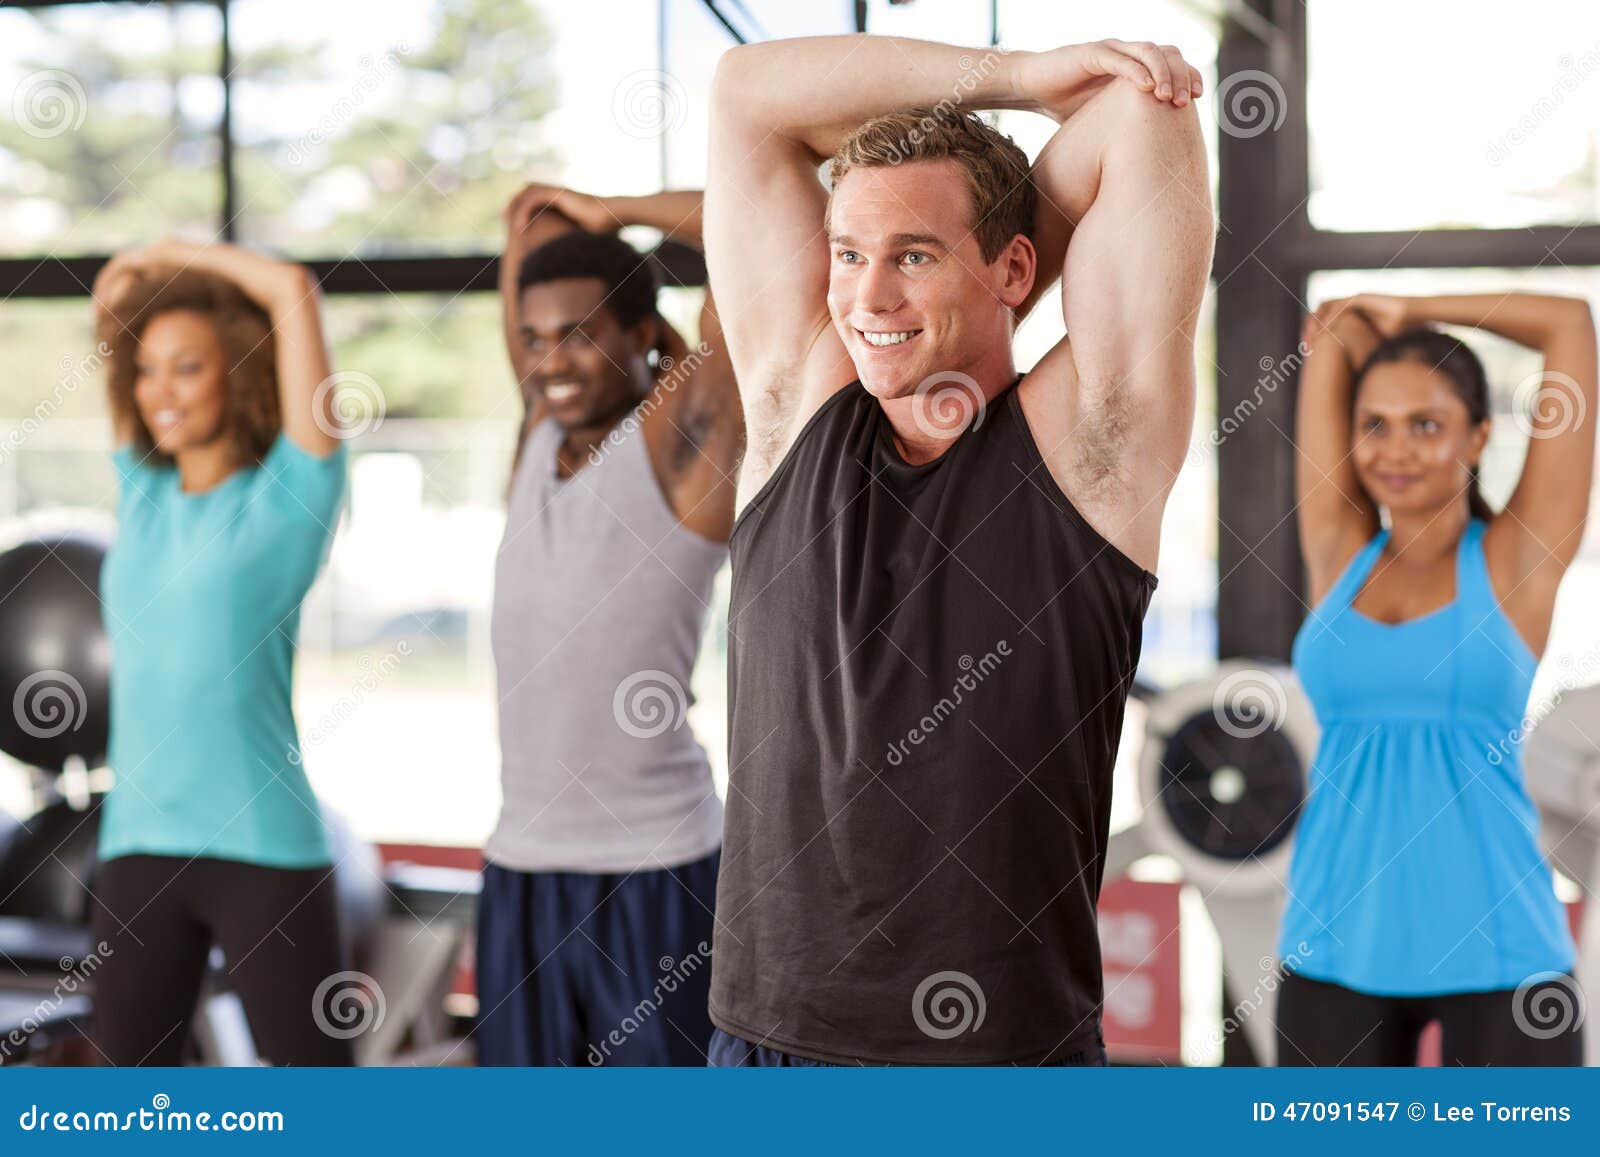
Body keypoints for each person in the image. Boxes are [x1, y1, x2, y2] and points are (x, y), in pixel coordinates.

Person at [701, 36, 1212, 1065]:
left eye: (914, 256)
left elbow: (1139, 117)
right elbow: (745, 93)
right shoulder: (792, 408)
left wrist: (999, 239)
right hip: (761, 1051)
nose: (868, 299)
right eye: (849, 253)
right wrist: (1019, 78)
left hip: (993, 1064)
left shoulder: (1089, 453)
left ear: (1016, 265)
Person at [1276, 291, 1597, 1066]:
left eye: (1428, 425)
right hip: (1331, 944)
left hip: (1503, 955)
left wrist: (1410, 308)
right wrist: (1359, 328)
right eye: (1375, 425)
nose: (1396, 449)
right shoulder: (1336, 550)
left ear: (1480, 436)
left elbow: (1569, 325)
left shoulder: (1515, 563)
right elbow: (1330, 332)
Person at [475, 184, 743, 1066]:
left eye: (582, 333)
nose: (553, 360)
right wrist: (548, 226)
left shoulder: (679, 444)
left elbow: (757, 226)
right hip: (520, 869)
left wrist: (613, 207)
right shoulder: (536, 441)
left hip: (655, 874)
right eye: (536, 338)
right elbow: (526, 254)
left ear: (639, 334)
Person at [88, 238, 351, 1066]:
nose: (160, 391)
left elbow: (292, 289)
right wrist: (141, 277)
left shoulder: (293, 495)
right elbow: (109, 297)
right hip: (135, 844)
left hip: (262, 847)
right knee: (125, 1110)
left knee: (318, 1101)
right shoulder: (144, 488)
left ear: (236, 371)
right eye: (148, 368)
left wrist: (173, 250)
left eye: (188, 366)